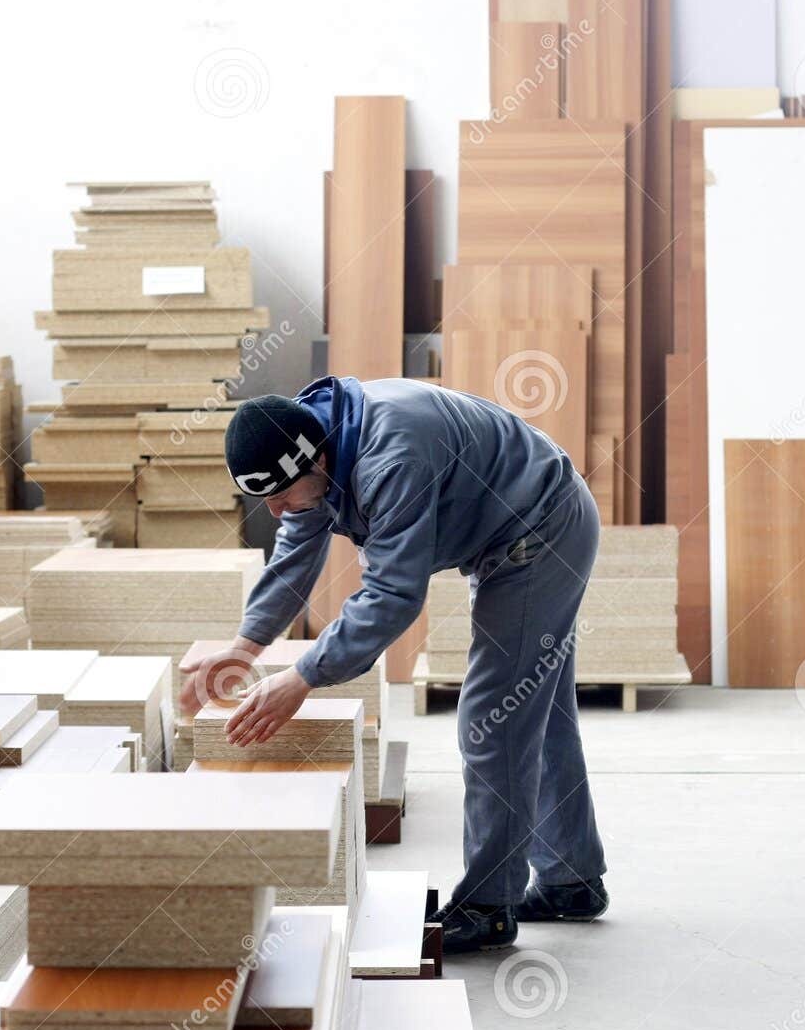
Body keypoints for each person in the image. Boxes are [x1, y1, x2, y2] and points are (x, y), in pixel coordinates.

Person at [179, 375, 607, 952]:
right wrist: (245, 646)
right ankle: (570, 881)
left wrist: (303, 675)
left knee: (494, 718)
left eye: (281, 495)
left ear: (319, 459)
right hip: (514, 527)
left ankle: (488, 906)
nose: (276, 510)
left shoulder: (391, 459)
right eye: (265, 499)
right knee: (538, 713)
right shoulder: (306, 442)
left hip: (540, 531)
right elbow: (296, 547)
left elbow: (392, 596)